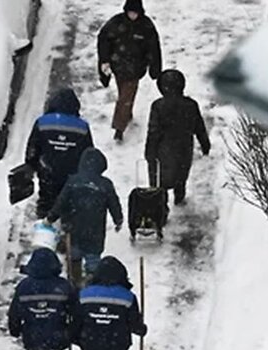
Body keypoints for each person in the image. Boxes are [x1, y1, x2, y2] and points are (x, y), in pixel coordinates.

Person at [8, 247, 78, 350]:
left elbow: (15, 312)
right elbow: (75, 312)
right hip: (56, 337)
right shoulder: (64, 287)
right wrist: (71, 332)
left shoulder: (24, 287)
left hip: (32, 337)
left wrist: (15, 329)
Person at [47, 147, 123, 285]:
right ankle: (91, 285)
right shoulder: (105, 184)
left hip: (74, 229)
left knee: (74, 258)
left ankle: (75, 284)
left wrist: (51, 217)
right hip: (95, 232)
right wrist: (118, 220)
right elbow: (114, 203)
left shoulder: (73, 181)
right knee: (93, 259)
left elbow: (61, 202)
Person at [96, 0, 163, 142]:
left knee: (126, 95)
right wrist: (105, 60)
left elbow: (153, 47)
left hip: (135, 69)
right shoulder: (116, 23)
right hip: (118, 67)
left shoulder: (146, 26)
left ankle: (119, 128)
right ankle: (126, 113)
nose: (133, 15)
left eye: (135, 13)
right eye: (130, 12)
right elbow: (104, 40)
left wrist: (154, 67)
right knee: (125, 94)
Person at [25, 88, 94, 219]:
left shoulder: (42, 122)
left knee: (46, 203)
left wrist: (31, 166)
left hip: (48, 173)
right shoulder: (82, 126)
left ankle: (45, 228)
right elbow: (89, 153)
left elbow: (33, 148)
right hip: (71, 175)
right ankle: (66, 231)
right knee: (69, 206)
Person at [144, 69, 211, 205]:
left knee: (160, 181)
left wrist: (150, 151)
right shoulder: (191, 105)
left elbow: (153, 131)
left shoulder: (158, 106)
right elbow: (199, 127)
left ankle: (162, 207)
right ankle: (179, 196)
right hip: (184, 147)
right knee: (181, 174)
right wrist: (205, 145)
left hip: (163, 150)